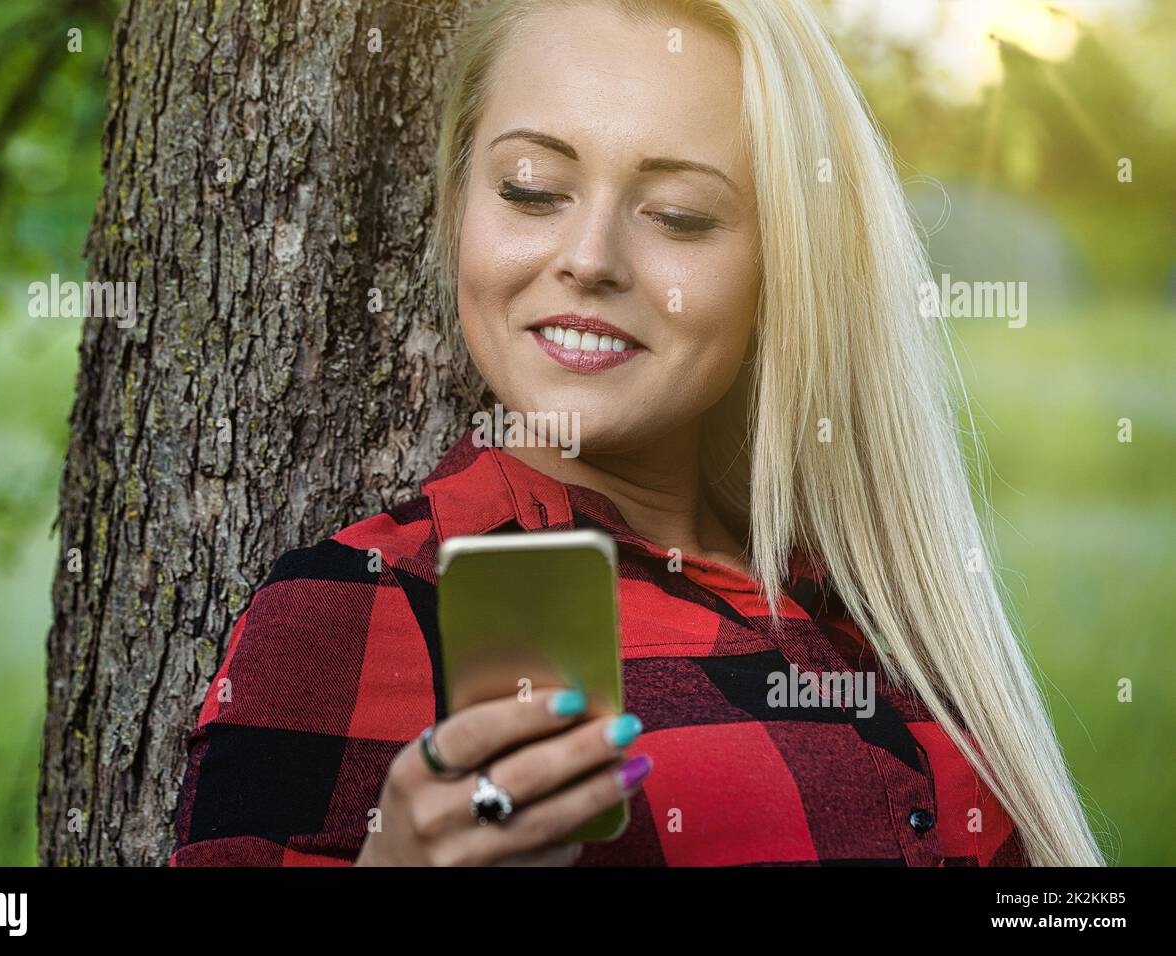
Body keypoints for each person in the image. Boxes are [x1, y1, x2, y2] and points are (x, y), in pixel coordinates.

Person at [171, 0, 1103, 867]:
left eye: (680, 216)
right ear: (460, 207)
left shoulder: (876, 606)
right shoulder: (352, 614)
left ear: (783, 265)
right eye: (533, 190)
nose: (589, 260)